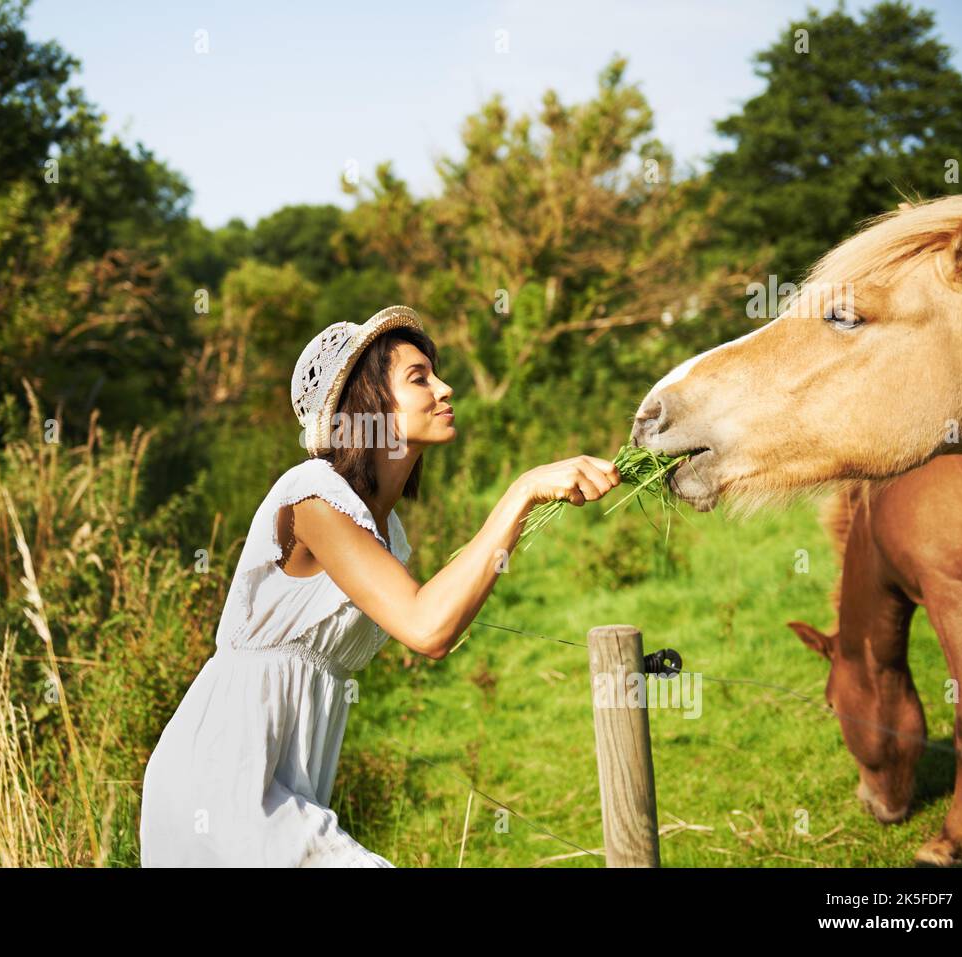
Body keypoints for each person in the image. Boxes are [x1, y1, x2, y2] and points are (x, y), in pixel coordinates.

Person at [138, 304, 621, 866]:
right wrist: (524, 489)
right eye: (419, 378)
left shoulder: (384, 529)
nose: (444, 388)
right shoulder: (312, 494)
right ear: (368, 404)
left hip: (284, 786)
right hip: (223, 781)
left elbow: (436, 617)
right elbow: (427, 627)